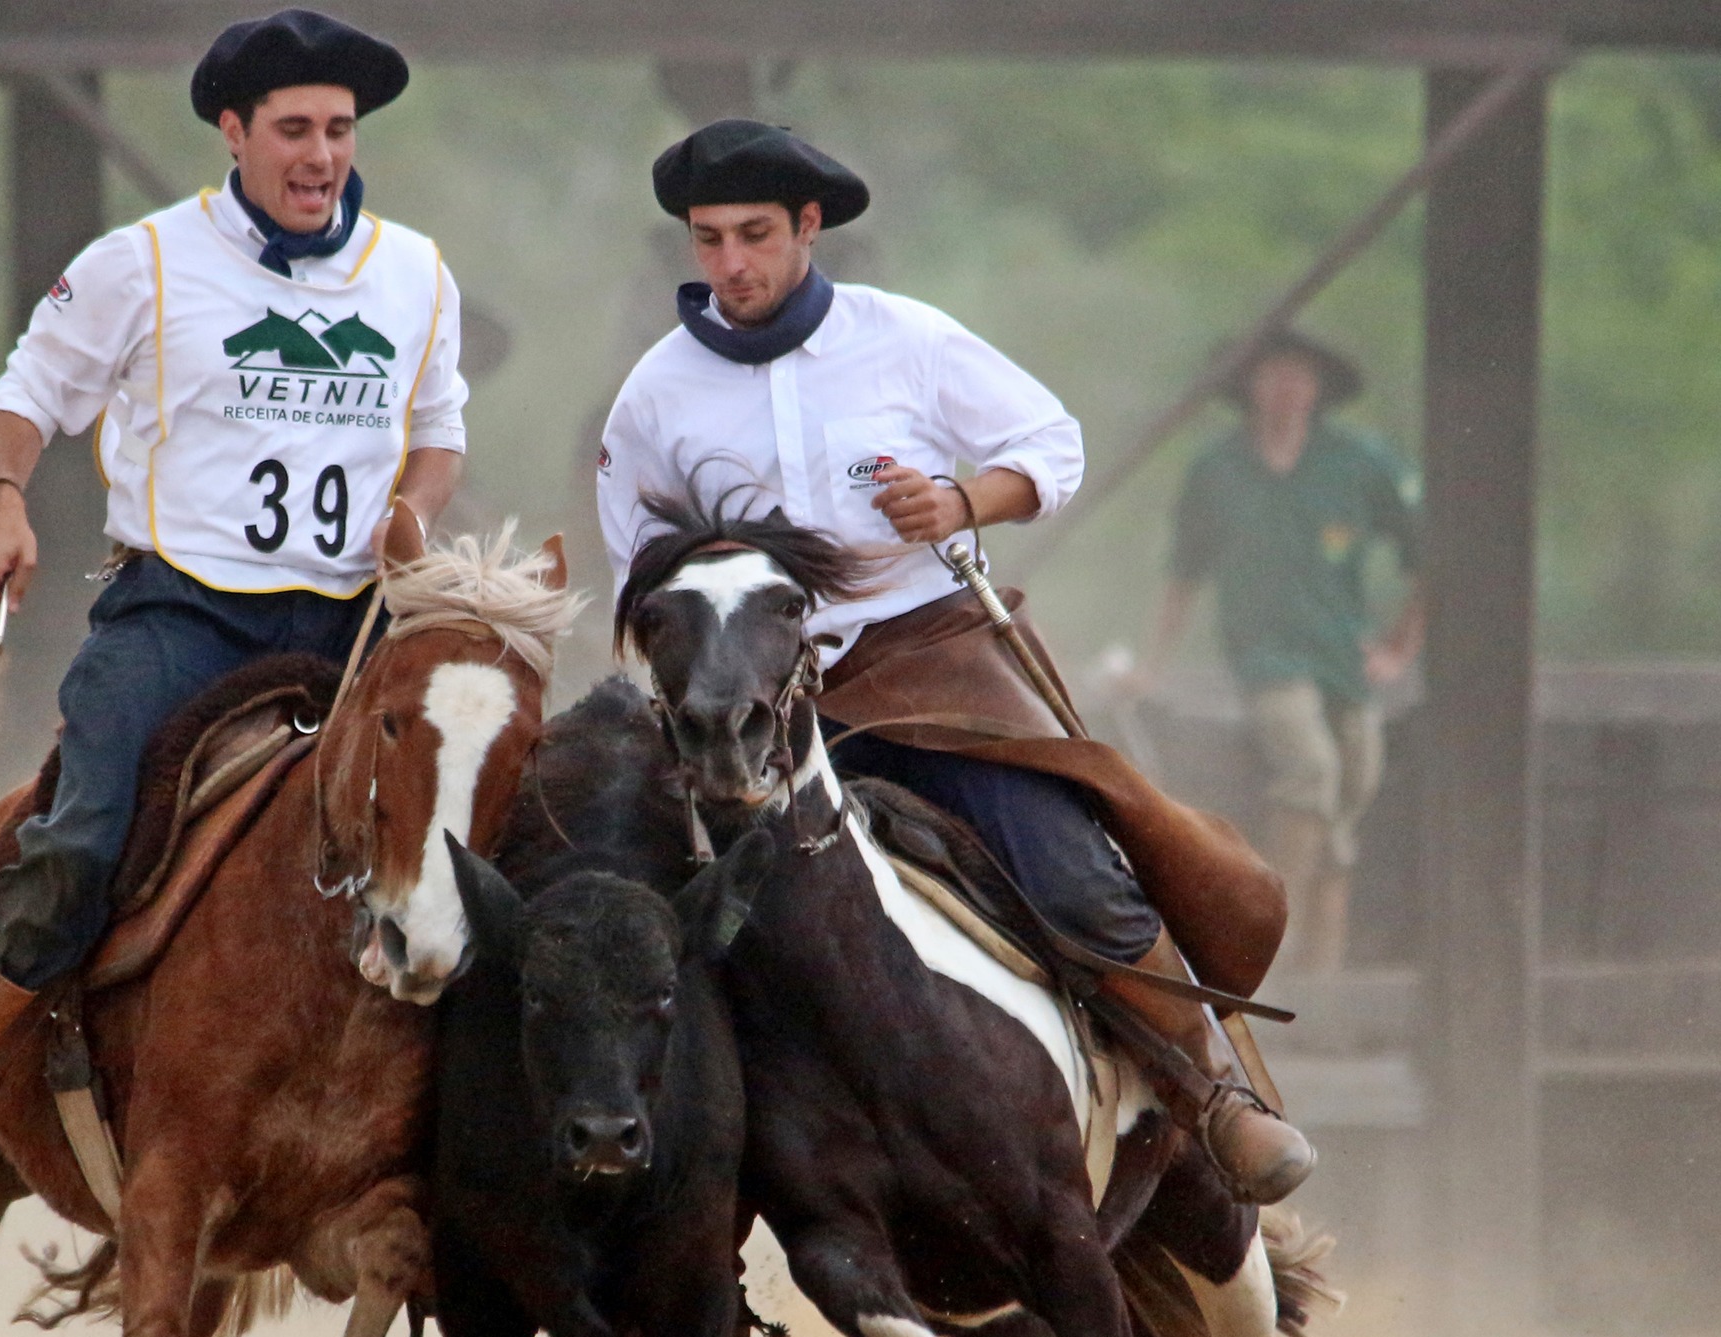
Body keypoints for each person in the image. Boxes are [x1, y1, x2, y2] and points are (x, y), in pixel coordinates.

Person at [596, 119, 1315, 1205]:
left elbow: (1050, 445)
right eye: (707, 240)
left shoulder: (909, 340)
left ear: (805, 227)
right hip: (745, 702)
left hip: (927, 666)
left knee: (1067, 869)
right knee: (624, 909)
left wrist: (958, 502)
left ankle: (1208, 1092)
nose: (730, 265)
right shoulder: (654, 393)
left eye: (752, 234)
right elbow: (637, 570)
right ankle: (646, 1196)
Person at [0, 7, 468, 1230]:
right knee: (83, 825)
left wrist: (411, 514)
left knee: (481, 819)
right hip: (185, 615)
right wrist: (2, 498)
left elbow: (436, 435)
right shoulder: (142, 260)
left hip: (348, 627)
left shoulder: (414, 271)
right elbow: (25, 395)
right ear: (233, 132)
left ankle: (506, 1126)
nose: (319, 154)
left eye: (337, 130)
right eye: (292, 128)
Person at [1126, 332, 1423, 975]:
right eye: (1274, 375)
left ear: (1318, 390)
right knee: (1311, 769)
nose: (1287, 389)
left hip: (1342, 653)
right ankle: (1270, 934)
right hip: (1265, 654)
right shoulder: (1217, 468)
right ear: (1250, 386)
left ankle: (1324, 978)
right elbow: (1184, 574)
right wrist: (1152, 665)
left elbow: (1428, 553)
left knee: (1355, 781)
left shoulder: (1361, 461)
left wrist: (1401, 648)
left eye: (1300, 377)